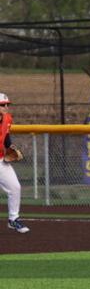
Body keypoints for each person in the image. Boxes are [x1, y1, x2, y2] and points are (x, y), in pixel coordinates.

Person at [0, 93, 30, 233]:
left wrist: (11, 147)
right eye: (2, 105)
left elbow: (6, 137)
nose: (6, 107)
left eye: (7, 104)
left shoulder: (7, 118)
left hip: (1, 160)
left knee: (15, 187)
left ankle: (13, 219)